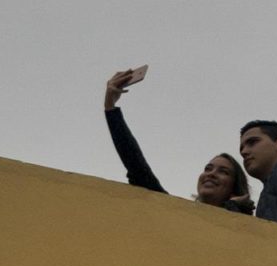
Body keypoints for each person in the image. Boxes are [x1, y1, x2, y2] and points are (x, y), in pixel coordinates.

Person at [104, 69, 254, 214]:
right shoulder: (173, 213)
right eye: (208, 168)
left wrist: (232, 207)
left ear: (234, 190)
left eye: (223, 172)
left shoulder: (253, 228)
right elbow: (136, 165)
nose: (211, 174)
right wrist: (110, 108)